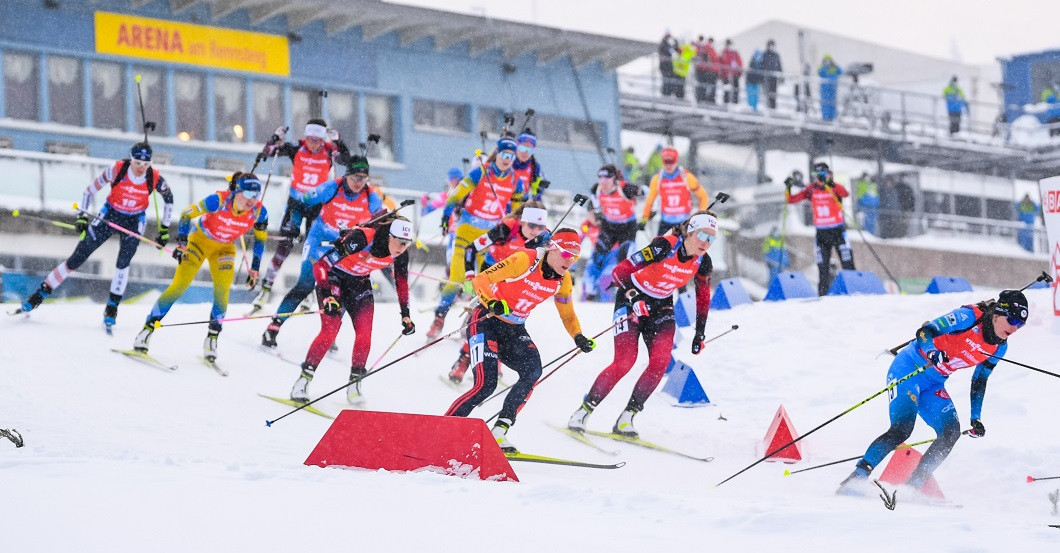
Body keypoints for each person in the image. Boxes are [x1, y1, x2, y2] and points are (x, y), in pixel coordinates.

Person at [837, 290, 1027, 496]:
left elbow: (980, 380)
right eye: (1013, 320)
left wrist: (976, 418)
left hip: (934, 384)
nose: (1015, 328)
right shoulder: (969, 317)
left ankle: (912, 488)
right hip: (909, 368)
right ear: (998, 314)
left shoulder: (1000, 348)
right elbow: (924, 332)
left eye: (1020, 324)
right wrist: (931, 352)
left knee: (950, 432)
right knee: (902, 428)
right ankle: (857, 477)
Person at [444, 229, 596, 452]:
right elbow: (481, 279)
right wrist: (493, 302)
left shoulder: (563, 281)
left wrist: (578, 336)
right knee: (486, 384)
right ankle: (445, 430)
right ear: (553, 248)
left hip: (515, 328)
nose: (569, 261)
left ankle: (499, 432)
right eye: (566, 254)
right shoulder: (525, 259)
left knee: (533, 370)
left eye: (574, 256)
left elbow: (568, 314)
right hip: (486, 321)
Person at [567, 211, 716, 437]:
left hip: (662, 305)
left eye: (712, 239)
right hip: (630, 299)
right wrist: (634, 297)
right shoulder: (663, 246)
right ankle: (584, 411)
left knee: (660, 362)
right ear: (690, 231)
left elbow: (703, 296)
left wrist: (700, 332)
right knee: (624, 361)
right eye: (704, 236)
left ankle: (628, 417)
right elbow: (620, 272)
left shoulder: (702, 261)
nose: (707, 243)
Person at [15, 142, 174, 330]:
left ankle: (112, 308)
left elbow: (169, 199)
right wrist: (82, 216)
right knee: (77, 259)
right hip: (110, 215)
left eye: (145, 164)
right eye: (137, 163)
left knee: (123, 263)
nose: (141, 168)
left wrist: (164, 230)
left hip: (134, 221)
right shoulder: (117, 169)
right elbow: (89, 191)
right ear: (131, 159)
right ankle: (38, 295)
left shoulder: (153, 177)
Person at [132, 173, 268, 360]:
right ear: (237, 191)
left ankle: (212, 339)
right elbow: (187, 214)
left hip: (224, 249)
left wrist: (254, 268)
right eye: (247, 193)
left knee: (222, 292)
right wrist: (180, 243)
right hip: (199, 242)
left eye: (256, 195)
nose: (252, 199)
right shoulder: (218, 200)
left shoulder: (260, 212)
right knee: (178, 287)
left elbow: (261, 241)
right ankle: (146, 331)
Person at [261, 154, 387, 348]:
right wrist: (294, 225)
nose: (358, 182)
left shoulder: (371, 197)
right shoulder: (331, 187)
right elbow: (298, 203)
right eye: (354, 177)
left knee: (344, 290)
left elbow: (382, 224)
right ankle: (274, 326)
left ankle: (331, 332)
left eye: (363, 178)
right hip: (319, 241)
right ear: (346, 175)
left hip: (344, 248)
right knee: (305, 284)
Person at [289, 216, 415, 403]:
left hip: (359, 284)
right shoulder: (363, 238)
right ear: (389, 236)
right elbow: (321, 265)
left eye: (407, 243)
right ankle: (302, 381)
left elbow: (402, 284)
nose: (402, 247)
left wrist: (406, 315)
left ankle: (354, 385)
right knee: (330, 330)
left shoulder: (401, 254)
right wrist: (327, 294)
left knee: (365, 334)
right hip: (333, 279)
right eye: (399, 242)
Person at [425, 137, 526, 339]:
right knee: (456, 278)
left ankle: (470, 321)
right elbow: (456, 194)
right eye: (504, 155)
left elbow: (517, 213)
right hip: (466, 233)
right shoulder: (481, 171)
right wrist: (446, 215)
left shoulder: (515, 181)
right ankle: (439, 318)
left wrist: (513, 231)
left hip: (489, 240)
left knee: (482, 283)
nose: (507, 160)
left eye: (511, 156)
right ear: (497, 154)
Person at [446, 201, 551, 384]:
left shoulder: (544, 238)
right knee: (487, 319)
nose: (535, 230)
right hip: (491, 274)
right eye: (531, 225)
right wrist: (471, 276)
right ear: (521, 221)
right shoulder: (505, 230)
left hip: (514, 280)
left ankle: (496, 358)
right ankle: (463, 362)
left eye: (540, 226)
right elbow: (471, 249)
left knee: (507, 322)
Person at [253, 120, 349, 311]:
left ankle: (310, 293)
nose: (314, 144)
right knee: (284, 245)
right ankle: (265, 290)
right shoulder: (297, 147)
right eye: (310, 139)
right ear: (306, 137)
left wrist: (339, 142)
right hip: (296, 205)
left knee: (312, 250)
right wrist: (275, 138)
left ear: (323, 140)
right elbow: (267, 154)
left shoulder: (329, 150)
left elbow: (347, 161)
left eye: (318, 140)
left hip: (317, 207)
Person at [786, 162, 855, 295]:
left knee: (847, 264)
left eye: (821, 175)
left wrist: (831, 182)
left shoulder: (833, 188)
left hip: (838, 231)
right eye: (816, 176)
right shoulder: (811, 189)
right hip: (822, 234)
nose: (818, 179)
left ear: (828, 174)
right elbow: (791, 200)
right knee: (822, 268)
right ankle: (823, 296)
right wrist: (788, 187)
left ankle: (854, 291)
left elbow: (845, 193)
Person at [583, 164, 641, 301]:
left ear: (614, 179)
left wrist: (642, 197)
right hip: (609, 226)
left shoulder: (624, 188)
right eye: (600, 179)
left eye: (607, 180)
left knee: (625, 260)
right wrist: (597, 215)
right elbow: (594, 208)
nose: (603, 183)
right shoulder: (596, 190)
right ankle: (591, 291)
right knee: (597, 256)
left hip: (627, 227)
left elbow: (645, 192)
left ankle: (628, 292)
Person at [640, 147, 710, 236]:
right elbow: (650, 201)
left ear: (676, 161)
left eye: (671, 162)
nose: (668, 165)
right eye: (666, 162)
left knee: (683, 249)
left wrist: (701, 216)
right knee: (660, 248)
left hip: (684, 223)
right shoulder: (657, 179)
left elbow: (703, 196)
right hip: (665, 223)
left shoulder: (687, 177)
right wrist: (644, 219)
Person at [510, 130, 548, 206]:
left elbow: (537, 194)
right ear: (517, 146)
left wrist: (538, 191)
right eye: (522, 148)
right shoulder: (507, 161)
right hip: (504, 205)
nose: (525, 152)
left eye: (530, 149)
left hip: (520, 208)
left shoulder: (534, 166)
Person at [694, 36, 719, 105]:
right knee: (704, 85)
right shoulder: (707, 48)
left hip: (708, 70)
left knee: (705, 86)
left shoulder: (708, 48)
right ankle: (704, 99)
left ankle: (705, 99)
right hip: (707, 70)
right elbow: (709, 58)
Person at [760, 39, 783, 110]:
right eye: (770, 45)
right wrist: (761, 77)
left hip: (774, 77)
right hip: (767, 77)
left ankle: (773, 107)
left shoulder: (776, 55)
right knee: (767, 92)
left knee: (774, 92)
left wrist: (781, 77)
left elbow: (779, 66)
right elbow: (762, 65)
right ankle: (768, 107)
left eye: (772, 45)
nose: (771, 47)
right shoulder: (765, 54)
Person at [818, 55, 842, 121]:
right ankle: (825, 117)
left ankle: (832, 117)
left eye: (828, 60)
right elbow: (819, 72)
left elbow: (840, 72)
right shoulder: (823, 68)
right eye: (826, 61)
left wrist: (835, 66)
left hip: (832, 89)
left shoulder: (835, 68)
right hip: (825, 89)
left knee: (832, 103)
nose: (827, 62)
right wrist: (824, 67)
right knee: (825, 103)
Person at [719, 40, 743, 105]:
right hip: (726, 75)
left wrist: (739, 72)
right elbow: (720, 63)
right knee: (726, 89)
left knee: (735, 89)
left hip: (735, 75)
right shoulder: (723, 53)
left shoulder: (735, 53)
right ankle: (726, 102)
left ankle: (735, 103)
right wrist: (721, 73)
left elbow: (739, 63)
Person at [658, 32, 679, 97]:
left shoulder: (667, 45)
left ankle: (668, 92)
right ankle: (666, 93)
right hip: (664, 64)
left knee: (669, 78)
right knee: (666, 78)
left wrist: (676, 43)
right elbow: (669, 50)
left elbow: (675, 49)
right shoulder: (663, 45)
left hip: (668, 64)